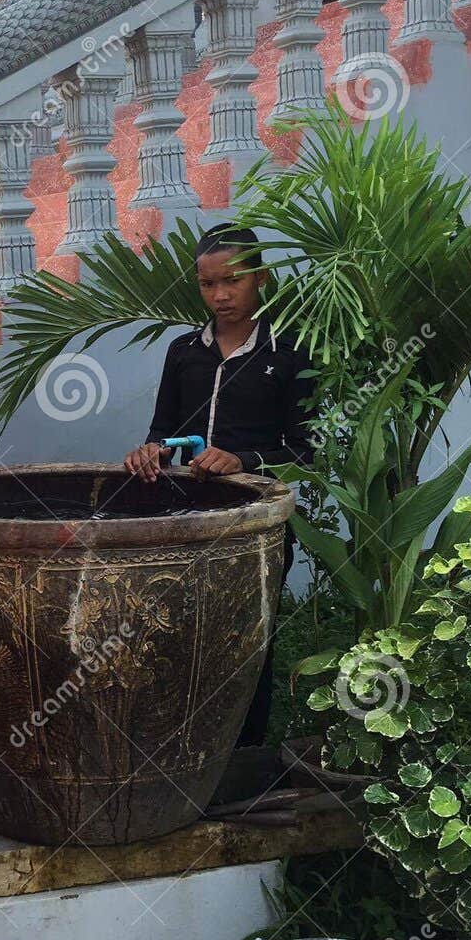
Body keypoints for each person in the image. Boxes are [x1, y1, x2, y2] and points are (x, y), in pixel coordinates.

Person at [123, 223, 314, 744]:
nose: (221, 295)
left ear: (261, 278)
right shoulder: (184, 350)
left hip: (256, 526)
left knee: (249, 640)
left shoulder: (288, 351)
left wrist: (243, 461)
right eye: (208, 284)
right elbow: (161, 432)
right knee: (180, 636)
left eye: (233, 281)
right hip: (185, 521)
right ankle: (183, 747)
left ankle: (245, 752)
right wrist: (151, 452)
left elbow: (304, 452)